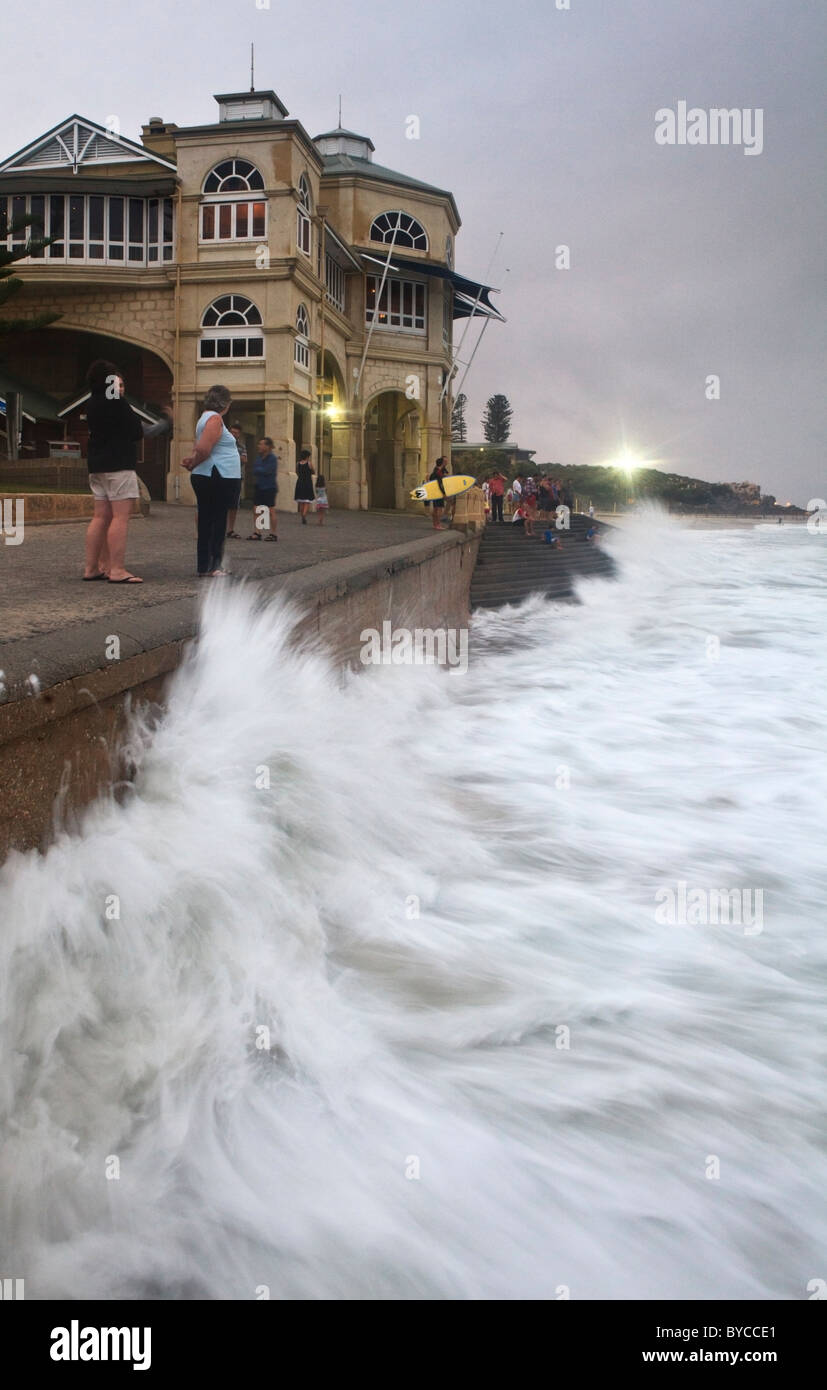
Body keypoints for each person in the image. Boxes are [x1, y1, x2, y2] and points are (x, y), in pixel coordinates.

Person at [82, 359, 154, 584]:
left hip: (97, 465)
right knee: (120, 518)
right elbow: (135, 431)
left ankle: (92, 567)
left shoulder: (92, 402)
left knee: (100, 517)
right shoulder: (117, 403)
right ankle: (117, 570)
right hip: (119, 464)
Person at [181, 384, 241, 577]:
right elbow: (205, 449)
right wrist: (194, 463)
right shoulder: (215, 419)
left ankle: (205, 565)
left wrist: (192, 461)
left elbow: (202, 448)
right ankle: (214, 566)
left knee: (208, 520)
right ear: (226, 403)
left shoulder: (205, 418)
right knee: (217, 521)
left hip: (211, 474)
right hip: (217, 475)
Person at [249, 436, 278, 541]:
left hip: (269, 487)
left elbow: (267, 470)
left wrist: (260, 470)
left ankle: (273, 534)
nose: (259, 446)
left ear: (268, 446)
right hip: (259, 486)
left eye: (261, 444)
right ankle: (257, 532)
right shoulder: (258, 458)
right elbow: (255, 469)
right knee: (257, 509)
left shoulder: (272, 458)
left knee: (270, 510)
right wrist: (261, 470)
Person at [225, 424, 247, 539]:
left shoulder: (241, 446)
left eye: (236, 432)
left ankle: (230, 529)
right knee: (221, 504)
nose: (233, 434)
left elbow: (244, 460)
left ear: (239, 434)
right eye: (232, 431)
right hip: (223, 476)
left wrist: (233, 455)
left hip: (237, 477)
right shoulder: (223, 444)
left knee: (234, 505)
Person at [294, 447, 315, 522]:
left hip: (299, 482)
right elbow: (313, 471)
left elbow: (297, 472)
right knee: (307, 501)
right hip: (307, 483)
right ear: (307, 456)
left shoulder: (297, 464)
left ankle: (302, 514)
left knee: (301, 501)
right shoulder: (309, 463)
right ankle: (304, 515)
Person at [429, 457, 449, 530]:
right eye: (445, 462)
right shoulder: (438, 472)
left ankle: (435, 524)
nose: (446, 463)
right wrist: (444, 493)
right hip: (438, 492)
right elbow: (440, 484)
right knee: (439, 509)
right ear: (442, 463)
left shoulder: (435, 471)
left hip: (434, 492)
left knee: (435, 508)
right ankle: (438, 524)